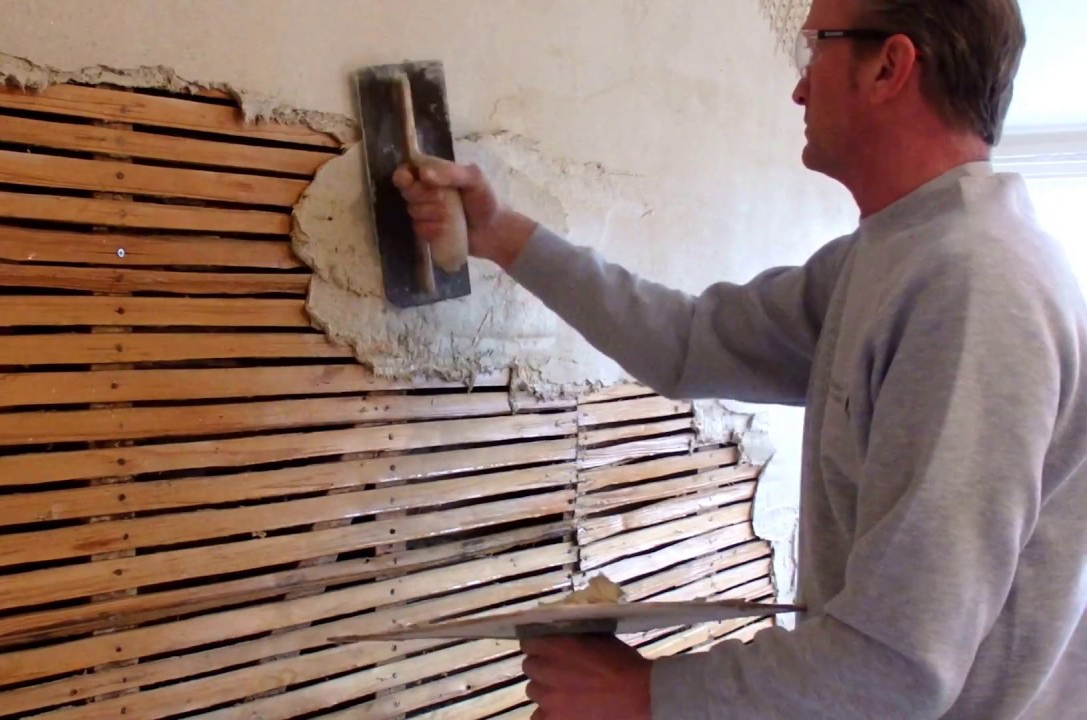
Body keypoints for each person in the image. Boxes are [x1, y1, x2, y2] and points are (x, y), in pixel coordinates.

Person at [392, 0, 1086, 718]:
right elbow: (689, 342)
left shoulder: (973, 284)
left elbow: (898, 665)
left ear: (889, 67)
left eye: (815, 48)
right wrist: (503, 234)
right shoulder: (891, 259)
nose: (798, 87)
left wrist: (643, 695)